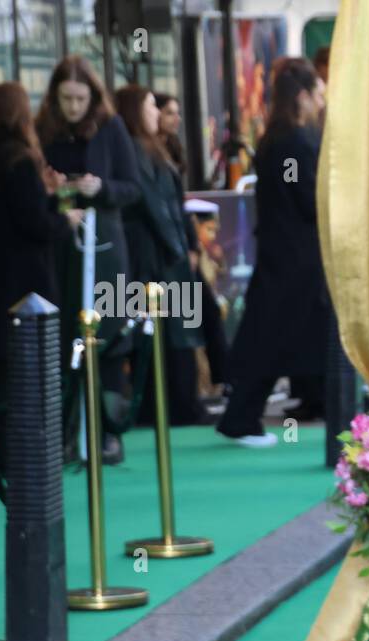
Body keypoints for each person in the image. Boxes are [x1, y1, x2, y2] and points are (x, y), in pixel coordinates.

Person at [0, 83, 84, 468]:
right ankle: (24, 450)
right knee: (27, 370)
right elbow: (32, 222)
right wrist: (65, 218)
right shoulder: (20, 160)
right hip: (24, 281)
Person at [216, 57, 330, 446]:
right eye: (317, 95)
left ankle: (246, 415)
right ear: (301, 96)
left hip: (284, 256)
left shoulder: (278, 140)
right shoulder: (294, 143)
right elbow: (306, 199)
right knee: (271, 338)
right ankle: (241, 418)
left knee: (272, 336)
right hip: (295, 260)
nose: (321, 103)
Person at [38, 55, 141, 465]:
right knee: (67, 340)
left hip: (107, 248)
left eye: (80, 98)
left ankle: (109, 434)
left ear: (92, 95)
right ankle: (69, 432)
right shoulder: (45, 129)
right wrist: (58, 193)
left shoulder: (111, 128)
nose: (74, 106)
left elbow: (132, 188)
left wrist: (101, 188)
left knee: (111, 340)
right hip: (64, 247)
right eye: (66, 98)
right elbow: (35, 188)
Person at [115, 85, 207, 427]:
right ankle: (174, 406)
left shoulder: (152, 150)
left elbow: (170, 205)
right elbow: (155, 205)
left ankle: (171, 404)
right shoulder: (139, 151)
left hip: (163, 252)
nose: (157, 114)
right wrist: (179, 249)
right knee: (169, 331)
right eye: (152, 107)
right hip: (156, 257)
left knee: (172, 331)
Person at [153, 92, 187, 185]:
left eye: (178, 113)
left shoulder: (174, 145)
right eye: (170, 113)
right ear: (156, 114)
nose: (178, 119)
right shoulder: (147, 149)